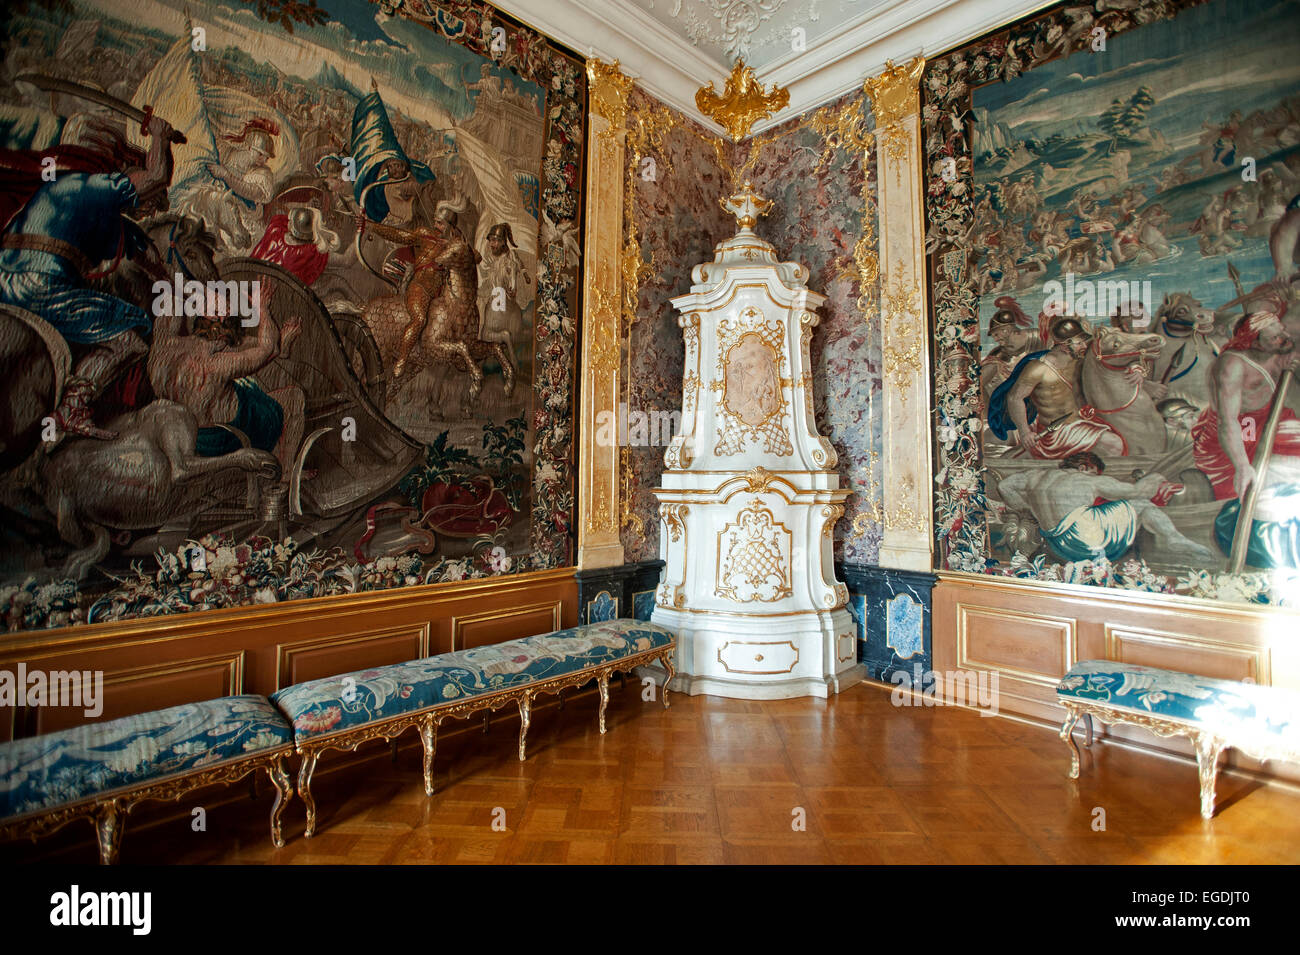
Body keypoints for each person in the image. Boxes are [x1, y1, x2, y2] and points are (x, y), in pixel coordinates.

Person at [0, 113, 177, 439]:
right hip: (41, 288)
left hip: (5, 283)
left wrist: (168, 278)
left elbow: (140, 248)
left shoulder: (59, 189)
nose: (148, 208)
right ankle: (71, 409)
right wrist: (159, 136)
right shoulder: (94, 185)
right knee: (131, 334)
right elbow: (156, 176)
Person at [996, 452, 1213, 564]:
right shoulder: (1090, 480)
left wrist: (1026, 507)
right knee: (1141, 505)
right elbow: (1139, 493)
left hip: (1058, 543)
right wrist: (1155, 478)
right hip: (1088, 541)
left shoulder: (1035, 477)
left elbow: (1004, 486)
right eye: (1095, 472)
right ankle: (1173, 537)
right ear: (1084, 467)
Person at [1192, 308, 1300, 500]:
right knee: (1248, 491)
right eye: (1276, 337)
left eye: (1283, 330)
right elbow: (1228, 421)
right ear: (1255, 343)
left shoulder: (1281, 349)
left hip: (1271, 418)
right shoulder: (1232, 366)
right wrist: (1242, 466)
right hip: (1237, 432)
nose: (1285, 337)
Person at [989, 316, 1127, 458]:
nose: (1084, 346)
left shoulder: (1079, 360)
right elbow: (1014, 398)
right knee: (1114, 445)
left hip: (1080, 423)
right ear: (1064, 345)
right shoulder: (1038, 368)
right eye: (1079, 343)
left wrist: (1136, 368)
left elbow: (1114, 357)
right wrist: (1025, 433)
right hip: (1056, 433)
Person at [477, 222, 532, 358]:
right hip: (496, 293)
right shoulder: (493, 260)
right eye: (491, 240)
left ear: (502, 242)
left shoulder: (510, 256)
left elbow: (518, 264)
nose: (492, 244)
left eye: (495, 240)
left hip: (505, 295)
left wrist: (525, 274)